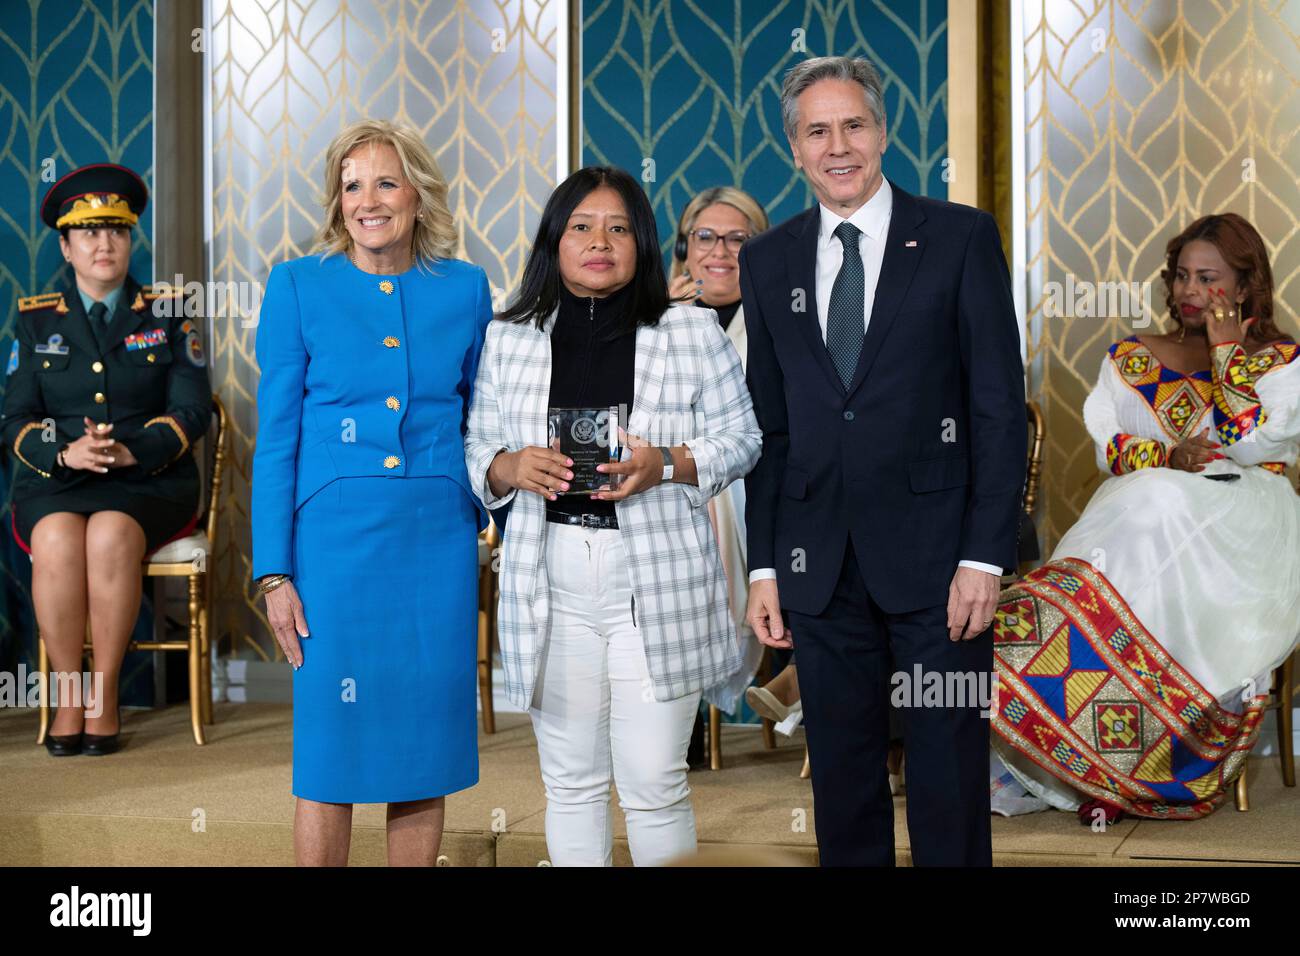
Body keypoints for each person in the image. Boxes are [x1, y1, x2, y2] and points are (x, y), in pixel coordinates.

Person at [741, 56, 1026, 866]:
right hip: (818, 565)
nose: (838, 146)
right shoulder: (768, 261)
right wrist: (765, 565)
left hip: (941, 567)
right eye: (817, 131)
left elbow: (998, 409)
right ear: (794, 147)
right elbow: (771, 428)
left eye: (853, 125)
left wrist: (984, 557)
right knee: (842, 779)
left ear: (883, 131)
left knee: (948, 776)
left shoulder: (960, 238)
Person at [465, 166, 761, 866]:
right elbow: (477, 446)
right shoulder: (509, 337)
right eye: (582, 226)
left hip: (655, 577)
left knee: (654, 782)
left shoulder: (690, 332)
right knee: (571, 783)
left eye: (618, 228)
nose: (600, 241)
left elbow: (744, 439)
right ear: (555, 241)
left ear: (644, 244)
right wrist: (508, 466)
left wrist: (668, 463)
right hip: (550, 576)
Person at [990, 212, 1300, 822]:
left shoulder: (1282, 361)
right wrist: (1168, 456)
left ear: (1245, 286)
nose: (1190, 290)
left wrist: (1227, 352)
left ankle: (1144, 762)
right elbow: (1109, 451)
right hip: (1147, 514)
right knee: (1152, 498)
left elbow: (1249, 444)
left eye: (1208, 278)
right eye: (1182, 275)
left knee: (1156, 500)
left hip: (1248, 523)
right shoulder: (1132, 357)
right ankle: (1077, 751)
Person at [251, 119, 490, 866]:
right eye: (352, 185)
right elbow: (277, 439)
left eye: (386, 182)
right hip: (334, 547)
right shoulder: (297, 286)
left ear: (418, 194)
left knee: (424, 748)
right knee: (331, 749)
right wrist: (274, 573)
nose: (368, 200)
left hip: (435, 541)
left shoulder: (466, 288)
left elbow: (482, 418)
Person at [2, 163, 210, 757]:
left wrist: (130, 451)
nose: (104, 243)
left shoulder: (170, 311)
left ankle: (105, 693)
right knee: (58, 539)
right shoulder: (36, 318)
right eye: (89, 232)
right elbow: (14, 418)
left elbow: (193, 411)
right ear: (66, 247)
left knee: (110, 534)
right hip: (57, 479)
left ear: (129, 240)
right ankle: (69, 696)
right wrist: (62, 450)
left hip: (148, 480)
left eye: (116, 230)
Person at [666, 187, 777, 757]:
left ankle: (692, 691)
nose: (719, 251)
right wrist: (656, 324)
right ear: (684, 248)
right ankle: (673, 704)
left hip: (756, 474)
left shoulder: (780, 317)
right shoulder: (654, 318)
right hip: (667, 477)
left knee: (712, 502)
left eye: (738, 239)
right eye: (705, 237)